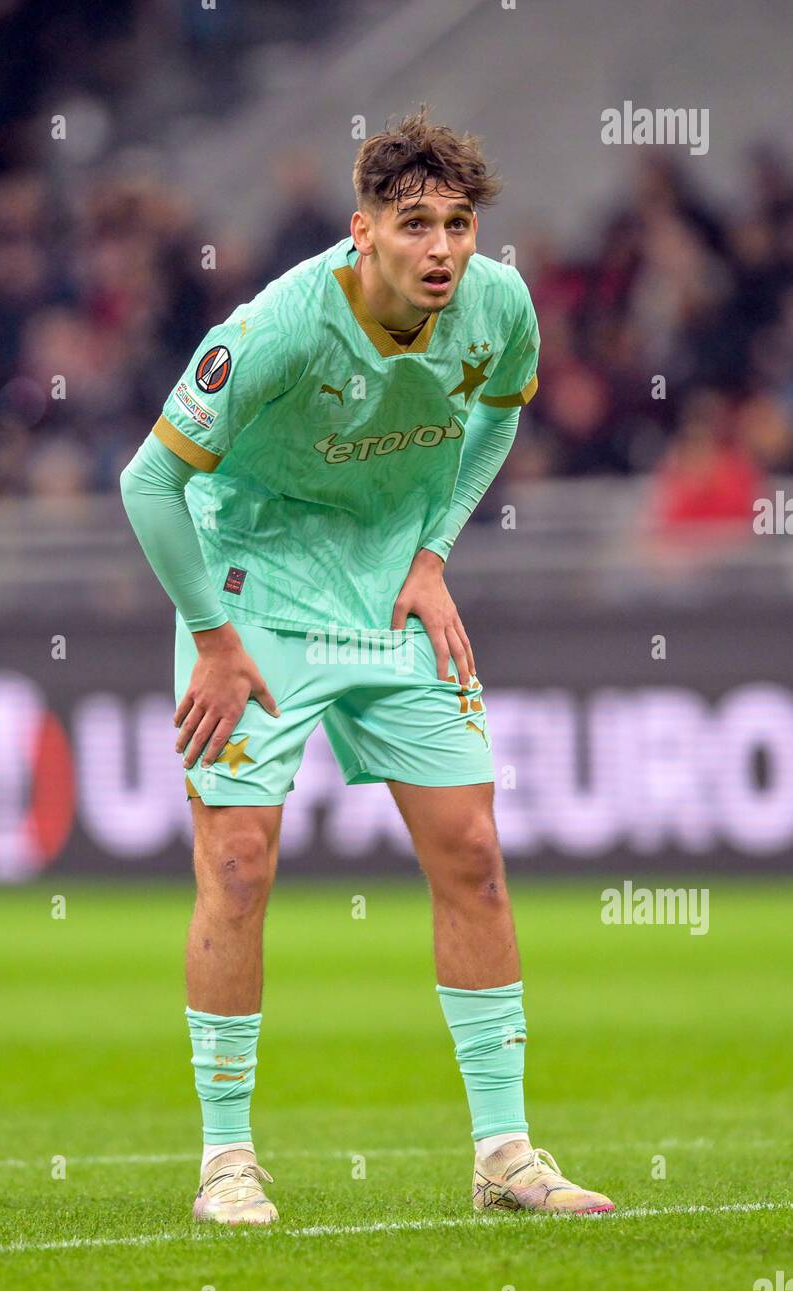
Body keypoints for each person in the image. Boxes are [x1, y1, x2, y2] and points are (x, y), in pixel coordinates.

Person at [120, 107, 614, 1226]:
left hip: (390, 593)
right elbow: (148, 481)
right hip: (252, 594)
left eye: (457, 224)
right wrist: (210, 636)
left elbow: (495, 415)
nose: (441, 249)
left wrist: (434, 553)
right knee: (239, 866)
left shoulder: (497, 306)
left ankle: (503, 1155)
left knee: (476, 853)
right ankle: (226, 1164)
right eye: (414, 226)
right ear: (361, 232)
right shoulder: (283, 325)